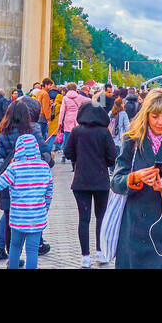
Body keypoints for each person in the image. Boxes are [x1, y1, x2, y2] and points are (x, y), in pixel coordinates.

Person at [110, 88, 162, 269]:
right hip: (134, 225)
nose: (160, 122)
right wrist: (135, 177)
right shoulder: (132, 140)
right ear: (146, 116)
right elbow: (116, 181)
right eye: (155, 117)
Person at [0, 132, 53, 269]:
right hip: (37, 218)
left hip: (18, 218)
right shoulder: (44, 167)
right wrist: (44, 208)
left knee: (15, 248)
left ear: (18, 150)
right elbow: (49, 193)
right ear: (36, 148)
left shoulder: (14, 168)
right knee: (32, 250)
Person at [64, 99, 117, 267]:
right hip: (101, 180)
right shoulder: (103, 132)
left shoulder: (76, 131)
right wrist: (104, 163)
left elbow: (67, 152)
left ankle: (85, 256)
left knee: (83, 219)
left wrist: (78, 159)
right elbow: (112, 156)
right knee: (101, 217)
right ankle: (100, 253)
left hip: (81, 180)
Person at [58, 82, 89, 158]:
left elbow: (62, 111)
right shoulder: (80, 97)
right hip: (78, 118)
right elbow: (90, 100)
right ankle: (76, 154)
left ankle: (64, 155)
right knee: (77, 138)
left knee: (67, 137)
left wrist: (60, 122)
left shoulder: (65, 98)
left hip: (68, 119)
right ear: (76, 89)